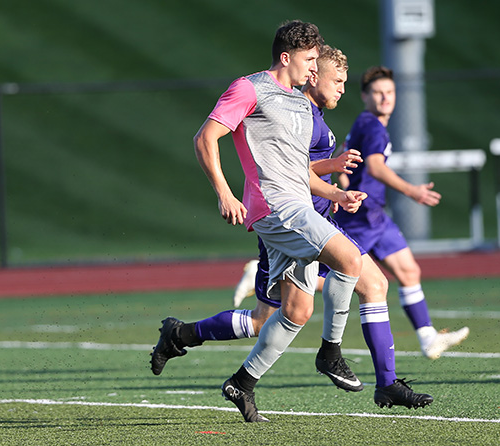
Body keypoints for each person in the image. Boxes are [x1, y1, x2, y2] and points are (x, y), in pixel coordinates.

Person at [150, 45, 434, 410]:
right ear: (311, 75)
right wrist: (332, 172)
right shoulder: (294, 111)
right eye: (336, 79)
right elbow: (285, 171)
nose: (341, 88)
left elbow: (299, 171)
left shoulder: (308, 112)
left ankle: (381, 381)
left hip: (313, 220)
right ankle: (339, 360)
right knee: (275, 315)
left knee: (314, 305)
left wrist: (334, 191)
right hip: (288, 222)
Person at [154, 21, 368, 423]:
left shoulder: (300, 104)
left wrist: (336, 194)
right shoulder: (249, 88)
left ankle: (242, 383)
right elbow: (205, 138)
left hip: (298, 206)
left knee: (296, 311)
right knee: (350, 260)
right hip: (275, 208)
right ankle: (331, 353)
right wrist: (224, 192)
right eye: (309, 59)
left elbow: (298, 170)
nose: (314, 68)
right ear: (286, 57)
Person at [334, 66, 470, 359]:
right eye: (378, 93)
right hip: (361, 216)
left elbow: (345, 158)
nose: (385, 98)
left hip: (375, 216)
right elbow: (375, 166)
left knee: (409, 271)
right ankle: (269, 271)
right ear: (365, 96)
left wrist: (344, 183)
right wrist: (412, 191)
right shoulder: (372, 126)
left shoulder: (365, 123)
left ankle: (428, 338)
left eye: (390, 92)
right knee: (331, 276)